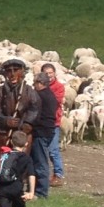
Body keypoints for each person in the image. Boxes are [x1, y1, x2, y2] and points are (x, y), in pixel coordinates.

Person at [0, 56, 42, 151]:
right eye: (9, 71)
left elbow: (35, 110)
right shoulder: (0, 91)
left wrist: (26, 123)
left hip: (22, 134)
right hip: (3, 132)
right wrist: (5, 120)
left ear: (22, 72)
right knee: (2, 161)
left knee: (20, 162)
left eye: (16, 70)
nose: (12, 74)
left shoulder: (30, 92)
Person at [30, 62, 63, 197]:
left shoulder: (41, 96)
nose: (34, 85)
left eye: (35, 83)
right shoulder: (50, 95)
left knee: (41, 161)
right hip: (48, 130)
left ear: (40, 83)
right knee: (38, 159)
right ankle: (34, 187)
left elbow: (38, 114)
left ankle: (41, 192)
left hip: (41, 132)